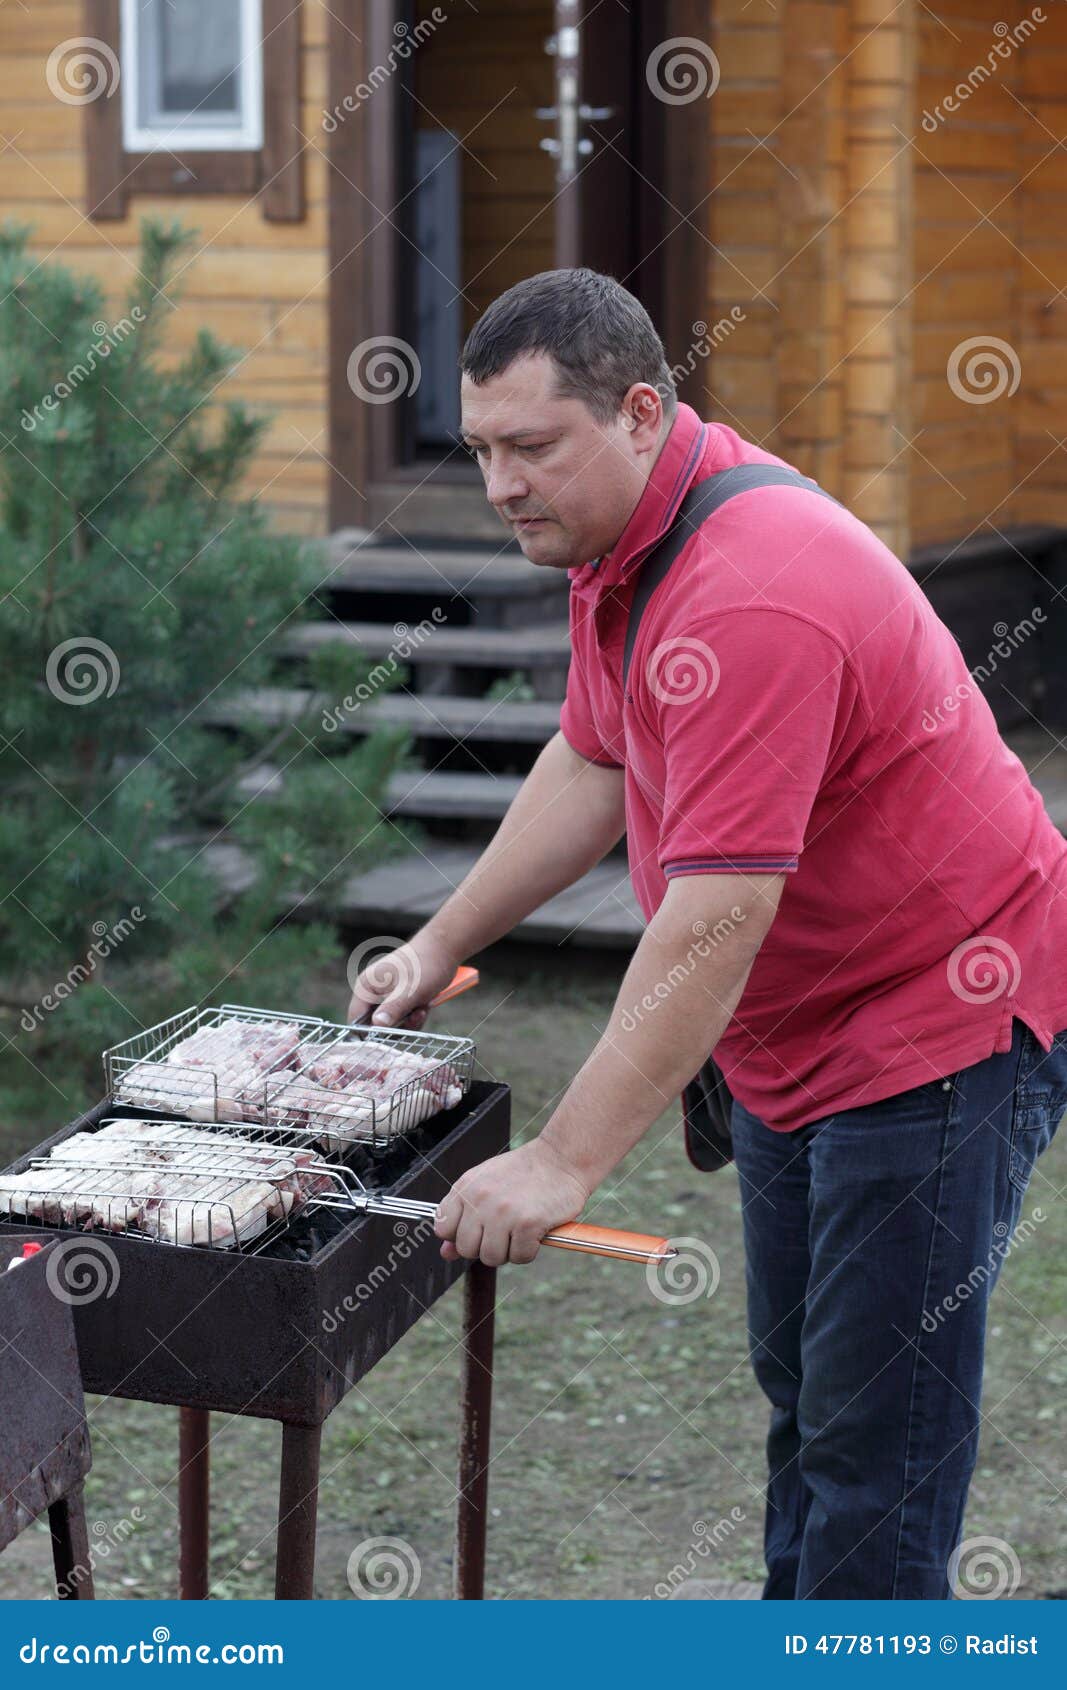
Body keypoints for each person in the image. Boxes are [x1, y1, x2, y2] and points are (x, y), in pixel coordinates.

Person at [347, 268, 1067, 1599]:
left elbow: (715, 918)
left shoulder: (749, 593)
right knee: (808, 1389)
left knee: (876, 1449)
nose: (501, 482)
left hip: (942, 1021)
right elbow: (593, 759)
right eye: (483, 446)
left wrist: (564, 1160)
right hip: (799, 1030)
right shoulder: (615, 535)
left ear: (634, 411)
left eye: (532, 447)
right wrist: (436, 935)